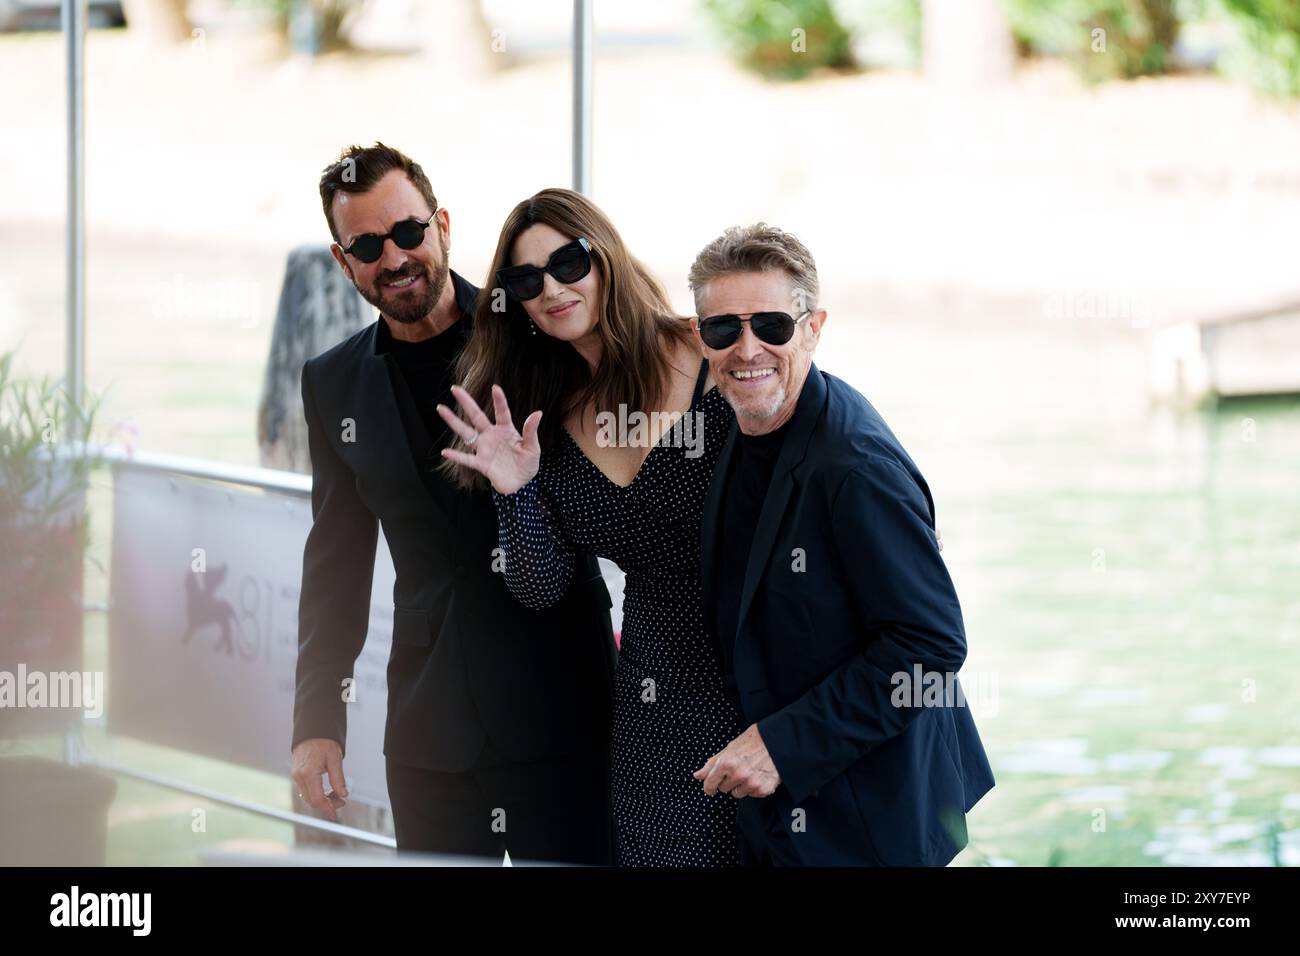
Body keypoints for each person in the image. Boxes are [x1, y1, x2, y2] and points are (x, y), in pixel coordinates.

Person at [291, 145, 617, 864]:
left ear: (441, 226)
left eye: (408, 232)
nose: (395, 257)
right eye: (368, 246)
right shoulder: (331, 384)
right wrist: (317, 719)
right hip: (428, 736)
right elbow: (336, 566)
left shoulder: (535, 336)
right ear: (345, 264)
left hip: (563, 719)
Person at [438, 188, 745, 866]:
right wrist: (513, 494)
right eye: (526, 280)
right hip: (651, 716)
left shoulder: (712, 353)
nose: (551, 288)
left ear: (603, 257)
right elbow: (542, 587)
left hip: (759, 686)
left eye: (568, 262)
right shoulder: (545, 417)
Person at [686, 223, 996, 866]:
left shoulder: (855, 467)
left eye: (771, 325)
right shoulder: (736, 417)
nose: (747, 349)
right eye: (723, 329)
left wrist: (781, 745)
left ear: (813, 327)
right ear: (700, 338)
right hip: (790, 814)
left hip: (869, 816)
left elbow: (930, 646)